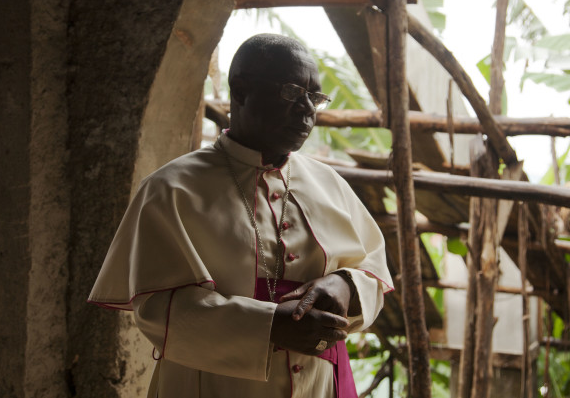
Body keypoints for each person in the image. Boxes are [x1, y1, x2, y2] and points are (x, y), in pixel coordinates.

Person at [88, 33, 393, 398]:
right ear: (241, 89)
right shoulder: (171, 188)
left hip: (317, 387)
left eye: (314, 98)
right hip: (213, 386)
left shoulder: (330, 184)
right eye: (291, 92)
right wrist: (269, 326)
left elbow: (372, 270)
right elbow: (155, 309)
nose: (306, 110)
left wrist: (344, 284)